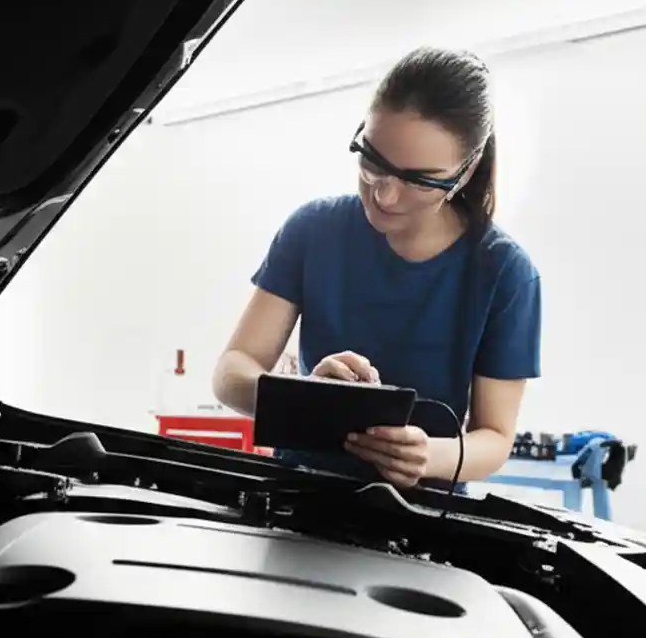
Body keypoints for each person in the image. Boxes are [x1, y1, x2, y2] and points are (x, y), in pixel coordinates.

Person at [212, 46, 541, 491]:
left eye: (419, 180)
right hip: (297, 495)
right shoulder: (313, 230)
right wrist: (304, 397)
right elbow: (232, 370)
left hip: (420, 514)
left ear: (465, 174)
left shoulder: (506, 273)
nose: (385, 195)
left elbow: (495, 438)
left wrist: (428, 455)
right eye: (373, 162)